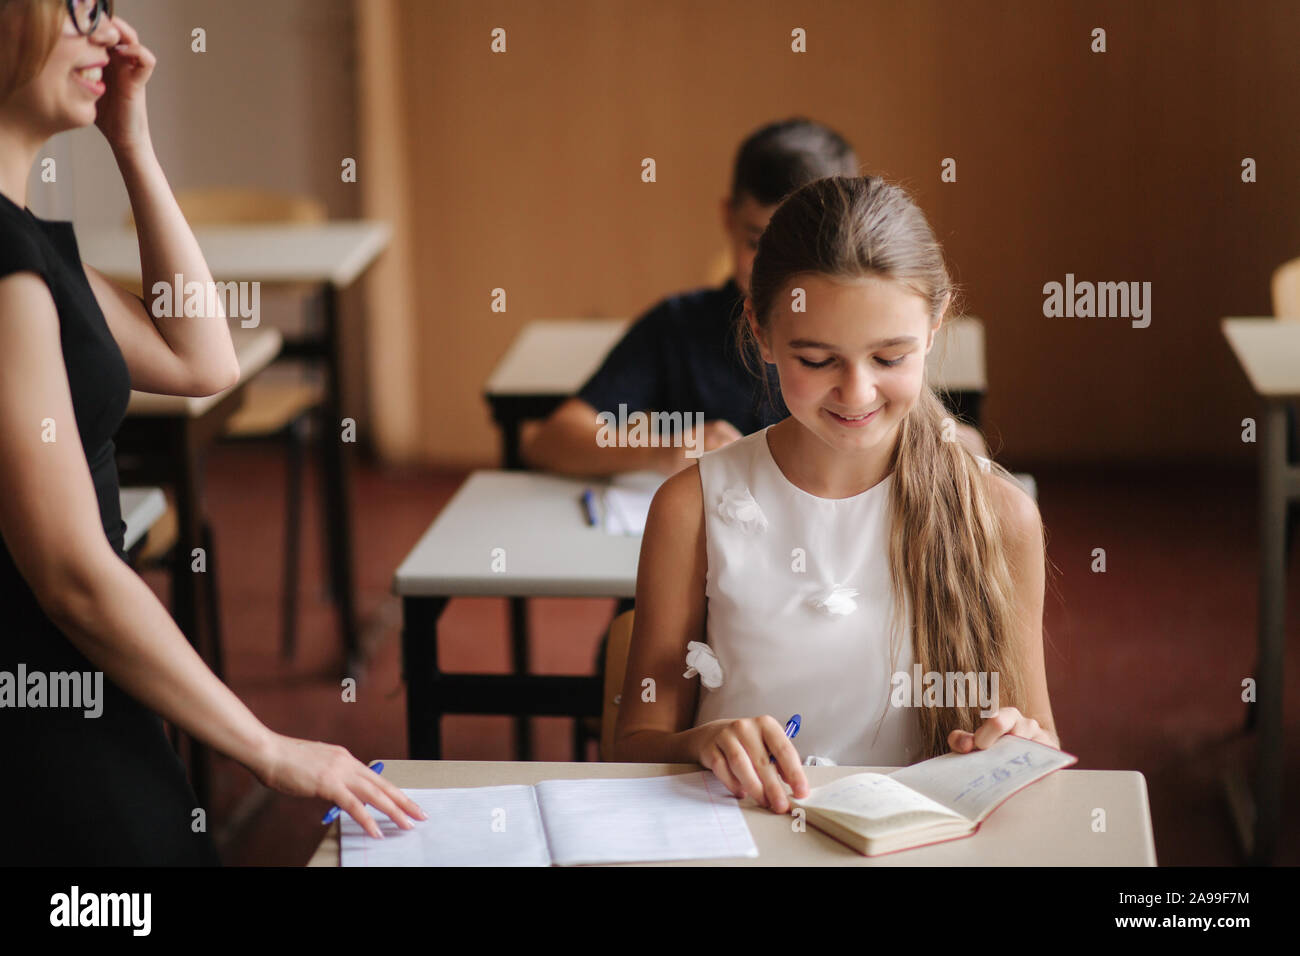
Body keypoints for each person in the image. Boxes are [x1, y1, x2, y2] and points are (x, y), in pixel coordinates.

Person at [0, 0, 424, 865]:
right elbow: (73, 576)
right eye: (78, 8)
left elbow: (201, 357)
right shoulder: (2, 267)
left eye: (110, 8)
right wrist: (266, 746)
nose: (111, 35)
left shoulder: (27, 242)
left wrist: (132, 146)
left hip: (81, 675)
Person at [611, 176, 1057, 813]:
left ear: (935, 326)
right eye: (818, 360)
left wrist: (1021, 743)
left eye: (889, 357)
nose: (856, 393)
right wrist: (698, 744)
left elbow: (1040, 746)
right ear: (761, 332)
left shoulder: (1000, 516)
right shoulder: (692, 506)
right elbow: (632, 746)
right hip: (746, 841)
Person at [522, 117, 988, 477]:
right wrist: (660, 448)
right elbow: (553, 439)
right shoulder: (678, 327)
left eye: (885, 357)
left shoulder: (880, 351)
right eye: (757, 243)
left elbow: (966, 450)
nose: (776, 276)